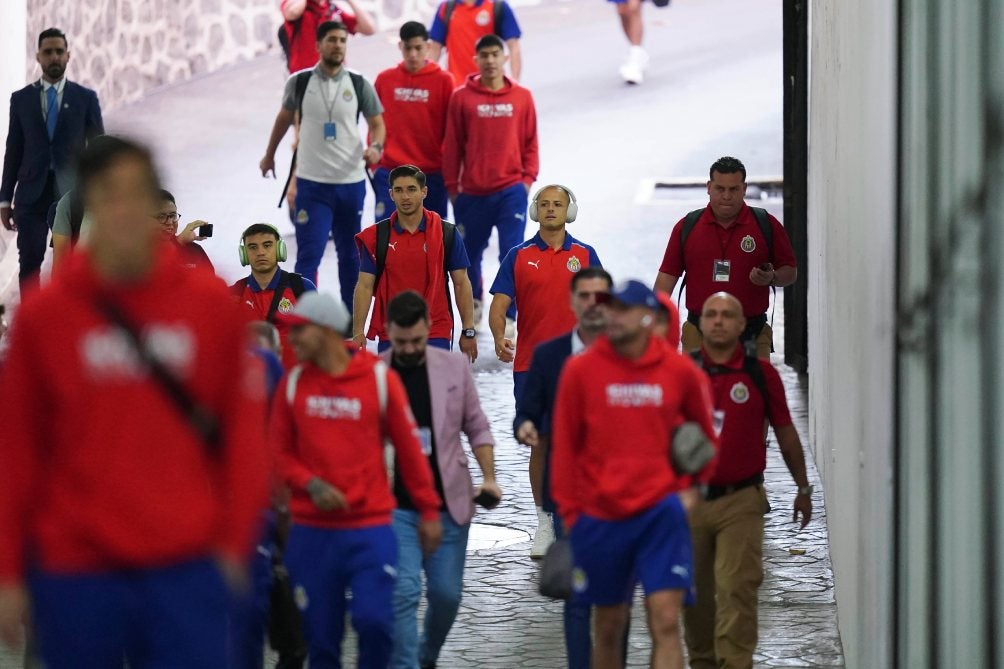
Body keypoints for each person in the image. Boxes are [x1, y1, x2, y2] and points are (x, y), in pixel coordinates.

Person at [0, 135, 270, 666]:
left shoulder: (208, 305)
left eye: (136, 194)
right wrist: (9, 569)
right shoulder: (45, 316)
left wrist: (235, 544)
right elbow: (17, 452)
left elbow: (243, 436)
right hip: (77, 566)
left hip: (185, 561)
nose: (123, 210)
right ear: (86, 208)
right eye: (109, 194)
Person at [270, 290, 443, 668]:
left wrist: (429, 511)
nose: (291, 338)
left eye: (299, 330)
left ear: (326, 331)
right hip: (311, 532)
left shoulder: (378, 379)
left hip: (369, 527)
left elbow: (410, 451)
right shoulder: (293, 383)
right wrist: (310, 483)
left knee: (375, 622)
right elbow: (277, 453)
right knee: (321, 640)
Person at [550, 279, 718, 669]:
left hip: (661, 515)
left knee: (665, 620)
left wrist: (694, 490)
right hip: (601, 517)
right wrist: (572, 516)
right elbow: (565, 449)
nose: (612, 314)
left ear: (648, 317)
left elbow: (707, 437)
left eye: (624, 308)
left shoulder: (680, 371)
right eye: (610, 307)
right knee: (609, 626)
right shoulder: (580, 370)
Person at [683, 291, 812, 669]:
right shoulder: (683, 374)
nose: (718, 321)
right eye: (711, 314)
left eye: (728, 314)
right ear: (700, 323)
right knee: (694, 596)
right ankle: (702, 661)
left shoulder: (761, 374)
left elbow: (785, 431)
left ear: (742, 325)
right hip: (689, 502)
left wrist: (803, 487)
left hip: (741, 500)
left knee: (736, 589)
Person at [380, 290, 500, 669]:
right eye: (401, 342)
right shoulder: (373, 374)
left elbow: (476, 425)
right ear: (387, 331)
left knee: (447, 595)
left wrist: (490, 477)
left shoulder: (453, 367)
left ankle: (425, 656)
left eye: (417, 340)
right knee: (403, 592)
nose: (409, 349)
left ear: (428, 328)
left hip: (449, 502)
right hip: (395, 506)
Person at [489, 184, 600, 556]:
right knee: (541, 441)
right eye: (545, 204)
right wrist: (499, 336)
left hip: (581, 367)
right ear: (536, 210)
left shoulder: (585, 255)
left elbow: (602, 305)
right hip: (531, 367)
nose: (551, 209)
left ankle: (581, 516)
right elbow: (499, 305)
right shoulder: (518, 256)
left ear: (570, 211)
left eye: (558, 204)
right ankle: (544, 521)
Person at [514, 266, 612, 665]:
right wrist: (525, 426)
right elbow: (528, 411)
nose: (592, 304)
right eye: (584, 296)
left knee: (615, 600)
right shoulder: (549, 355)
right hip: (570, 494)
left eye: (600, 296)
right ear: (572, 302)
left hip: (620, 495)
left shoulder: (628, 350)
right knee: (578, 593)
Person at [260, 20, 385, 311]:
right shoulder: (300, 82)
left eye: (342, 40)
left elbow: (377, 124)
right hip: (312, 185)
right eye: (331, 40)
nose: (338, 45)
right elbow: (283, 119)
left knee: (350, 257)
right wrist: (269, 155)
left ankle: (351, 324)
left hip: (350, 184)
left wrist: (376, 148)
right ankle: (306, 322)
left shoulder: (359, 83)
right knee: (309, 256)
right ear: (318, 45)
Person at [654, 156, 797, 359]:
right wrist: (651, 321)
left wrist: (772, 277)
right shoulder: (687, 226)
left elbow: (790, 272)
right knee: (695, 382)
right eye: (720, 189)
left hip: (752, 334)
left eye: (734, 189)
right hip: (698, 334)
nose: (727, 196)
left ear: (744, 189)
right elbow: (666, 279)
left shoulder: (766, 224)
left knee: (756, 382)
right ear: (709, 187)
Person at [443, 34, 538, 328]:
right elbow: (452, 147)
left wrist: (526, 181)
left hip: (511, 190)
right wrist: (453, 190)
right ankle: (475, 301)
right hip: (472, 193)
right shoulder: (461, 98)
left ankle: (509, 315)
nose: (490, 61)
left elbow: (531, 142)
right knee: (469, 254)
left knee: (512, 252)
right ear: (476, 60)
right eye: (484, 55)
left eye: (496, 54)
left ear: (505, 57)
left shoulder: (522, 96)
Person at [1, 27, 103, 294]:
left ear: (68, 55)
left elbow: (99, 149)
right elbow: (13, 150)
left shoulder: (85, 99)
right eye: (48, 52)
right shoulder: (21, 100)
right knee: (30, 262)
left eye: (59, 51)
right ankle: (32, 318)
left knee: (71, 265)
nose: (54, 56)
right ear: (38, 56)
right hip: (30, 195)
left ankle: (68, 316)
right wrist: (4, 199)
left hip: (71, 196)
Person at [354, 164, 477, 361]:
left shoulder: (446, 234)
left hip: (435, 329)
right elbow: (364, 286)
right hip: (392, 330)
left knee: (434, 382)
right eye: (399, 190)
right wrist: (358, 331)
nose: (405, 197)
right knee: (394, 383)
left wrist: (468, 330)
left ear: (424, 192)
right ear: (391, 194)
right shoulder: (376, 237)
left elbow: (461, 283)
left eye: (411, 189)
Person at [372, 21, 456, 221]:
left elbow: (453, 131)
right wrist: (376, 166)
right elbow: (375, 124)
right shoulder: (384, 80)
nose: (412, 54)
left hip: (431, 174)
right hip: (391, 171)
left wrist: (450, 172)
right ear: (400, 46)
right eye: (408, 48)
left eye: (418, 48)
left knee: (433, 235)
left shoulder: (444, 81)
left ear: (428, 47)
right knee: (387, 234)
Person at [231, 223, 317, 368]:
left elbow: (319, 340)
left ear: (279, 249)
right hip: (251, 377)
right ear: (244, 254)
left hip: (296, 376)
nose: (260, 252)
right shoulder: (234, 294)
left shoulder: (302, 288)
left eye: (267, 245)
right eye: (253, 247)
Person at [428, 0, 522, 85]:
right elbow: (435, 48)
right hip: (457, 85)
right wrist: (426, 80)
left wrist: (515, 81)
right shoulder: (446, 8)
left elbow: (513, 46)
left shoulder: (497, 6)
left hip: (490, 85)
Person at [280, 0, 377, 73]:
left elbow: (369, 29)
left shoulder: (332, 9)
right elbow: (292, 13)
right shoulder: (297, 5)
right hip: (307, 77)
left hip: (335, 75)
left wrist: (350, 1)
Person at [154, 189, 215, 273]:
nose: (170, 222)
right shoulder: (138, 252)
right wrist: (179, 242)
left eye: (173, 215)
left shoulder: (194, 250)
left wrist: (179, 242)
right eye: (161, 217)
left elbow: (210, 279)